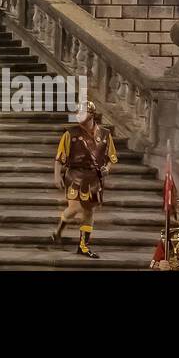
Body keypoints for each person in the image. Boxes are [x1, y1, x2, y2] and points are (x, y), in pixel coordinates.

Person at [50, 101, 118, 258]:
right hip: (75, 175)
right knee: (75, 208)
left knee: (89, 211)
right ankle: (58, 230)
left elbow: (111, 158)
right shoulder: (70, 134)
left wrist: (107, 169)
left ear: (92, 114)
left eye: (83, 112)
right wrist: (56, 176)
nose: (79, 115)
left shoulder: (105, 134)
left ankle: (83, 245)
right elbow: (60, 158)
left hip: (94, 178)